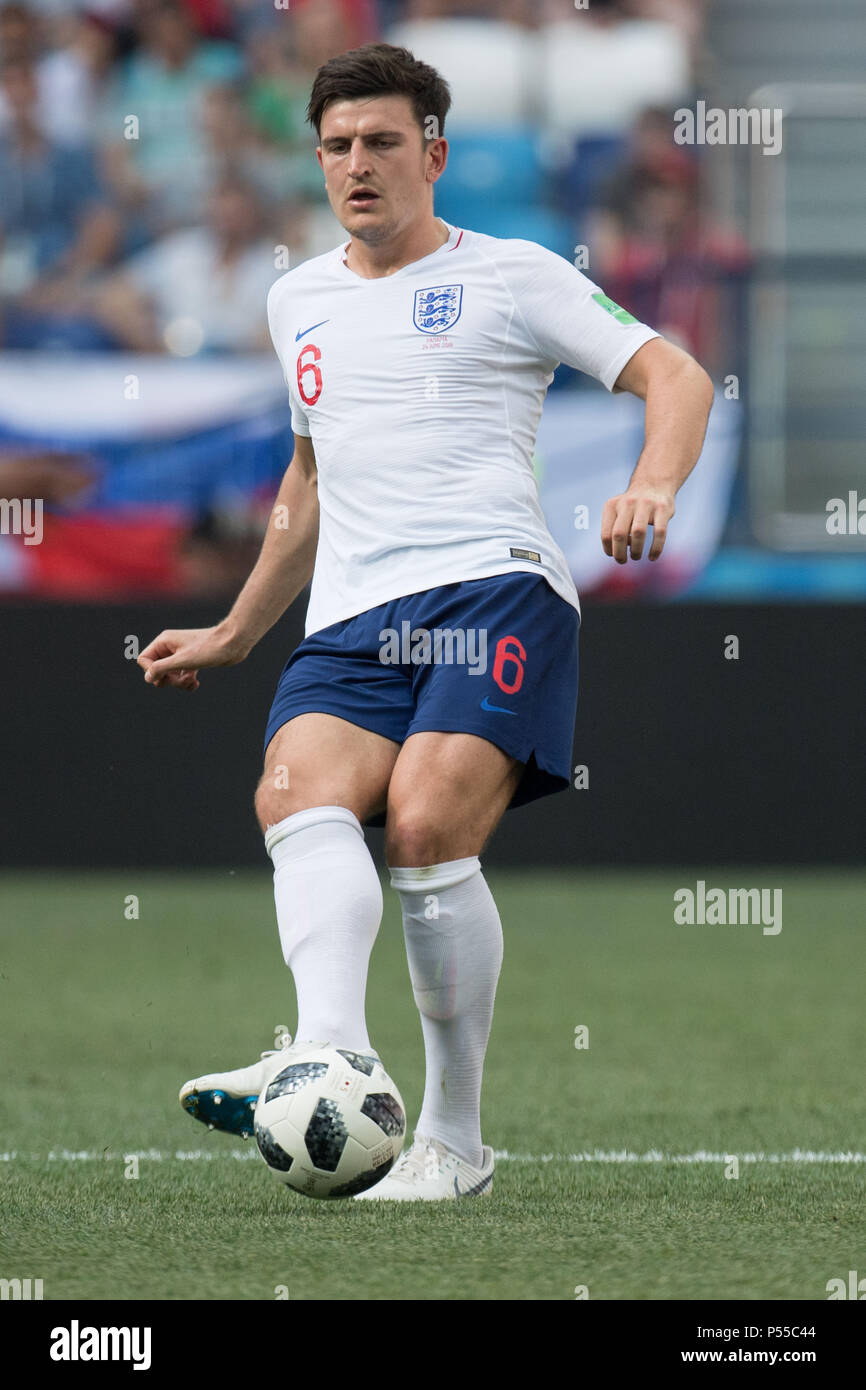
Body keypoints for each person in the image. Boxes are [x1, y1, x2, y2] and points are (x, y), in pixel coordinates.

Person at [137, 42, 713, 1200]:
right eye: (338, 145)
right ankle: (325, 1052)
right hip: (352, 612)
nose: (357, 164)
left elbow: (677, 378)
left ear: (434, 153)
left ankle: (453, 1143)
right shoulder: (293, 297)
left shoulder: (512, 274)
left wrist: (651, 482)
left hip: (489, 586)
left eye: (382, 142)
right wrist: (240, 631)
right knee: (293, 798)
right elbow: (307, 479)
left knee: (424, 819)